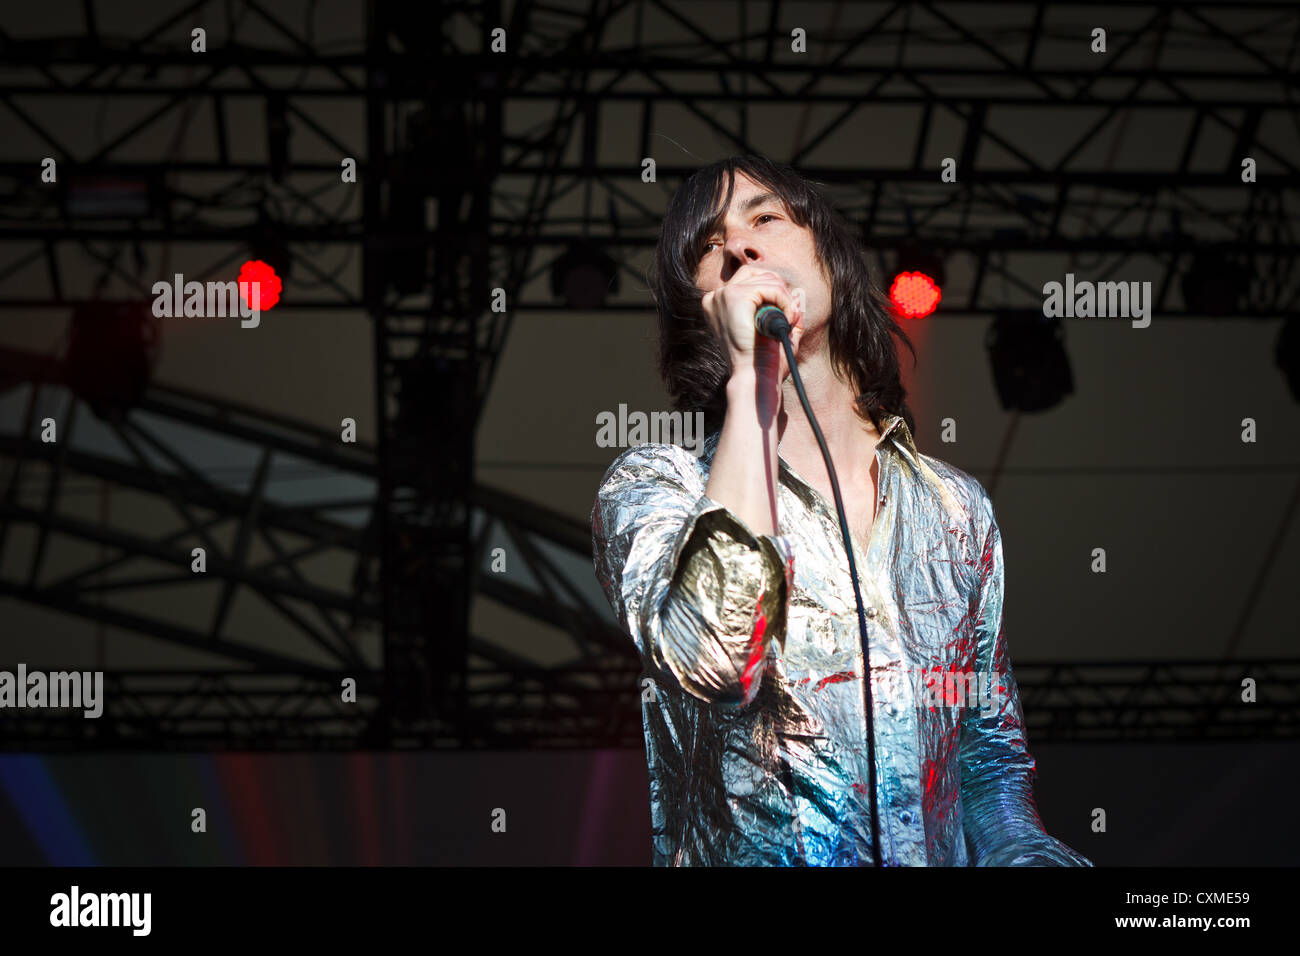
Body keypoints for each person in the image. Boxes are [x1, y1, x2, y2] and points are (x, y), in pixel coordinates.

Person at [590, 154, 1092, 867]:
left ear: (826, 249)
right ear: (699, 310)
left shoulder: (956, 509)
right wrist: (752, 382)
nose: (741, 247)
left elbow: (986, 768)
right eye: (711, 248)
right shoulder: (654, 486)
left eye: (765, 217)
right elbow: (719, 661)